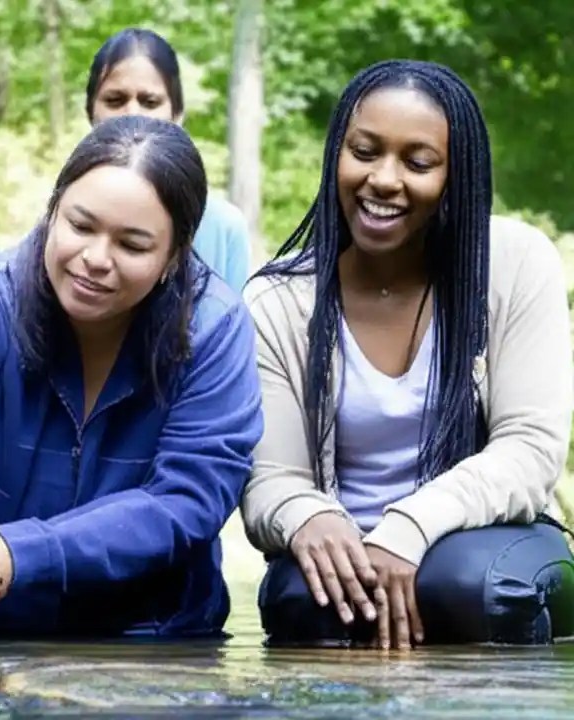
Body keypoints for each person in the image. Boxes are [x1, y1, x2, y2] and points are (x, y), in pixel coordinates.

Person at [0, 115, 263, 637]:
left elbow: (189, 496)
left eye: (132, 246)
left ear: (173, 257)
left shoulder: (212, 328)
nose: (95, 259)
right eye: (80, 225)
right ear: (52, 210)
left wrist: (22, 554)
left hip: (152, 637)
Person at [242, 59, 574, 650]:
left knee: (470, 588)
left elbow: (530, 449)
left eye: (418, 163)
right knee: (303, 600)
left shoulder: (517, 263)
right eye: (364, 151)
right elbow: (272, 475)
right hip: (348, 549)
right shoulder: (276, 299)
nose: (383, 179)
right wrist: (304, 515)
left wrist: (410, 527)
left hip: (484, 543)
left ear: (456, 175)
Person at [85, 28, 252, 292]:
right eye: (115, 100)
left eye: (149, 102)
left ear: (177, 114)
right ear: (91, 112)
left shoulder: (223, 229)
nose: (132, 114)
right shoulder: (64, 216)